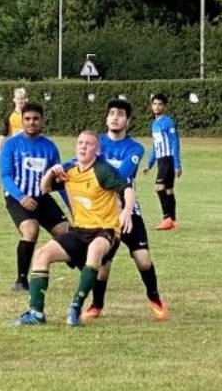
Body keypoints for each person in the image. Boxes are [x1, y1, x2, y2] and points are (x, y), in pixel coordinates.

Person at [13, 130, 134, 328]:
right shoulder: (69, 171)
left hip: (106, 230)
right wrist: (51, 172)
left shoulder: (103, 170)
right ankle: (36, 312)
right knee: (41, 255)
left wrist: (127, 211)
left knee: (95, 251)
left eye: (89, 144)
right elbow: (45, 188)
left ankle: (75, 307)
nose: (83, 147)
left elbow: (127, 189)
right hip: (79, 231)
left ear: (97, 149)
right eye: (80, 143)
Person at [83, 98, 168, 322]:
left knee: (143, 259)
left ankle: (154, 297)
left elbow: (120, 175)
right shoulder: (96, 142)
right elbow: (78, 163)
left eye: (120, 114)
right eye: (111, 113)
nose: (115, 117)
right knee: (103, 264)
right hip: (103, 213)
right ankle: (96, 305)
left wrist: (95, 167)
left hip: (130, 211)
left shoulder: (135, 148)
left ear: (127, 121)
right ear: (106, 118)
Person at [0, 101, 68, 292]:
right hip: (17, 196)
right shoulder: (11, 145)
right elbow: (5, 175)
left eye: (36, 119)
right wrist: (20, 197)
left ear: (42, 121)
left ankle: (81, 266)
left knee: (67, 233)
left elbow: (59, 181)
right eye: (27, 119)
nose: (31, 122)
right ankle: (21, 280)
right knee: (31, 229)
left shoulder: (50, 147)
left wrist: (73, 207)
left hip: (42, 197)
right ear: (22, 120)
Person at [143, 92, 181, 230]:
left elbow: (174, 143)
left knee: (159, 188)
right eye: (154, 104)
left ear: (164, 107)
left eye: (160, 104)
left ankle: (167, 219)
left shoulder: (168, 122)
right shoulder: (154, 124)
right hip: (160, 160)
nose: (156, 107)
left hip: (168, 160)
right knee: (169, 190)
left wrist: (177, 164)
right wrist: (149, 163)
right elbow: (155, 145)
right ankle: (173, 220)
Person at [0, 86, 28, 159]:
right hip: (14, 148)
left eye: (22, 98)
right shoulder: (9, 116)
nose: (20, 101)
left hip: (28, 148)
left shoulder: (30, 115)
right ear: (14, 100)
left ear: (25, 100)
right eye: (18, 98)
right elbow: (3, 134)